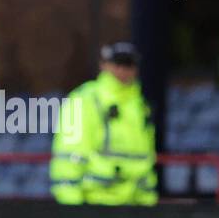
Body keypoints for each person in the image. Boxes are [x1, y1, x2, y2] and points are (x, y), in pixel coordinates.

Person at [50, 41, 156, 206]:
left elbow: (145, 158)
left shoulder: (140, 106)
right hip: (94, 204)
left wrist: (148, 202)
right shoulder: (84, 100)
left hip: (134, 207)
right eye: (118, 64)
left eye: (129, 64)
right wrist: (71, 205)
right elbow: (68, 154)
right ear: (104, 65)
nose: (123, 70)